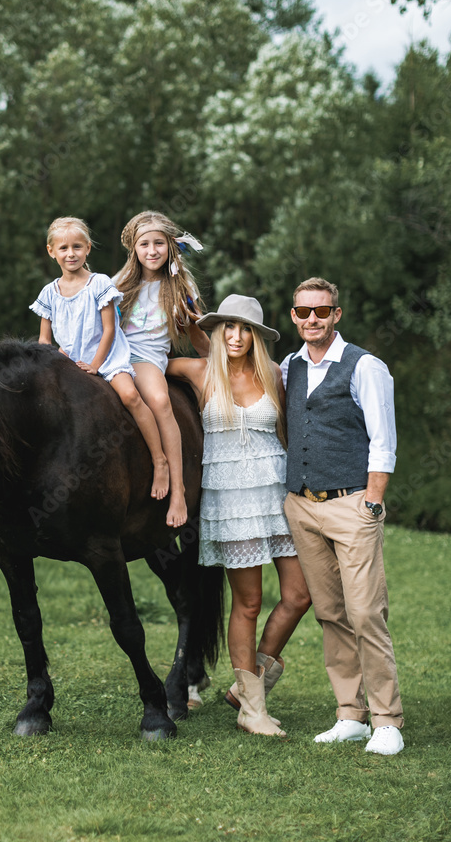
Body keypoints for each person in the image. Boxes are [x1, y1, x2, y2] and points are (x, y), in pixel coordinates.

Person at [167, 295, 311, 736]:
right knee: (247, 603)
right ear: (216, 331)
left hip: (277, 497)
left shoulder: (274, 375)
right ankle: (252, 709)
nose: (235, 336)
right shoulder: (198, 371)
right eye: (227, 327)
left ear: (256, 336)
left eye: (244, 328)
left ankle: (249, 683)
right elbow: (146, 364)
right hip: (231, 501)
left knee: (300, 595)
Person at [281, 277, 404, 756]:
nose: (311, 319)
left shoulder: (365, 366)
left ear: (336, 315)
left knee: (366, 612)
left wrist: (372, 501)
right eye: (302, 312)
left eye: (321, 311)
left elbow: (383, 438)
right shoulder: (290, 366)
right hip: (302, 505)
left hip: (352, 503)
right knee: (331, 613)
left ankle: (387, 720)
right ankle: (350, 715)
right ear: (293, 316)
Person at [30, 216, 172, 515]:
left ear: (88, 249)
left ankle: (159, 460)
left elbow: (109, 329)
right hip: (68, 360)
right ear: (51, 251)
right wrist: (54, 360)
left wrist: (96, 366)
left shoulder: (100, 284)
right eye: (64, 248)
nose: (71, 254)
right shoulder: (49, 293)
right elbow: (44, 340)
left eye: (77, 247)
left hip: (106, 357)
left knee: (131, 396)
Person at [115, 211, 210, 528]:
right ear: (135, 250)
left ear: (170, 246)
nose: (151, 250)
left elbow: (196, 334)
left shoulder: (180, 288)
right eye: (144, 244)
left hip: (146, 357)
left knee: (160, 400)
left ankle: (178, 489)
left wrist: (220, 360)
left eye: (158, 243)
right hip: (117, 354)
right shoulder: (120, 285)